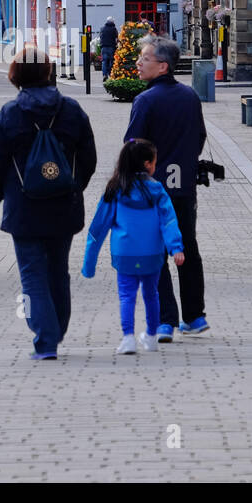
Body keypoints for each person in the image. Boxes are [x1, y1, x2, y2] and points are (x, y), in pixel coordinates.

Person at [0, 45, 97, 360]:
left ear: (16, 75)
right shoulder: (72, 110)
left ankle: (46, 338)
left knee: (32, 273)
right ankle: (57, 329)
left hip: (24, 208)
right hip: (63, 205)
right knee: (58, 271)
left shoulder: (10, 113)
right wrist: (75, 187)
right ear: (49, 71)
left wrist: (3, 193)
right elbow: (88, 158)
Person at [125, 35, 208, 342]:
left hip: (152, 190)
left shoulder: (145, 100)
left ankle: (165, 321)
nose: (138, 62)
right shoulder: (190, 96)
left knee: (154, 252)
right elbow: (200, 137)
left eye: (144, 58)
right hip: (184, 187)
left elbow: (133, 145)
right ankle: (195, 316)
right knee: (187, 247)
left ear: (162, 66)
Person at [82, 138, 184, 355]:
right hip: (152, 254)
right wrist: (176, 248)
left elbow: (98, 229)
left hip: (125, 253)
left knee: (127, 295)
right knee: (151, 294)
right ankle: (151, 336)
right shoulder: (156, 190)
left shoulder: (115, 190)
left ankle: (128, 338)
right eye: (155, 162)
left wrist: (89, 264)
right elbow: (168, 221)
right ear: (147, 164)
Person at [99, 17, 119, 81]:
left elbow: (100, 37)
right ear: (112, 22)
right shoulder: (114, 29)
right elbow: (117, 38)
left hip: (103, 47)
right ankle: (111, 74)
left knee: (104, 62)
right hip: (111, 47)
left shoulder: (102, 29)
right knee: (111, 61)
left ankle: (104, 75)